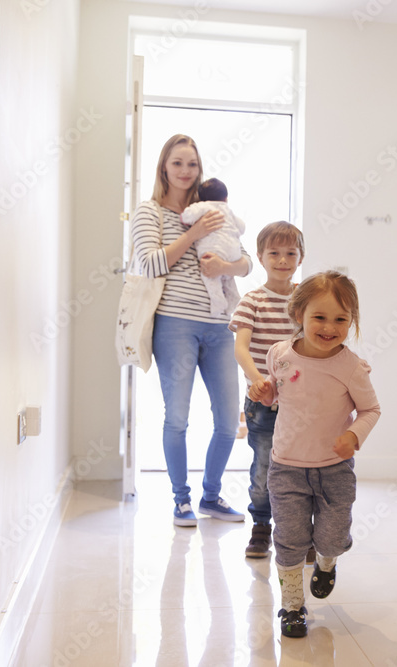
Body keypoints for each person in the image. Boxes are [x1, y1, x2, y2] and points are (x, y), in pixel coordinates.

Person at [248, 271, 381, 638]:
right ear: (298, 314)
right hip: (286, 467)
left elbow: (371, 410)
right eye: (319, 317)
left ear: (352, 321)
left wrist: (353, 435)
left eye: (341, 319)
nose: (329, 327)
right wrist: (265, 392)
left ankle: (326, 562)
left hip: (334, 470)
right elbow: (279, 396)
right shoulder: (280, 354)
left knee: (332, 538)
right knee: (289, 540)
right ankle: (292, 607)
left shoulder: (350, 368)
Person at [130, 134, 253, 527]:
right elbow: (149, 264)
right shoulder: (149, 213)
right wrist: (193, 235)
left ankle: (211, 497)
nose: (185, 171)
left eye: (193, 164)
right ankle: (181, 500)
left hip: (220, 326)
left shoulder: (213, 209)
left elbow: (245, 257)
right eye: (178, 163)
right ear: (164, 166)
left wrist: (225, 267)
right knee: (177, 418)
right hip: (175, 326)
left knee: (228, 420)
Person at [228, 221, 305, 559]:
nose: (282, 260)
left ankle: (302, 532)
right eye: (274, 253)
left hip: (302, 403)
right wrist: (258, 378)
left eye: (290, 253)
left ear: (301, 257)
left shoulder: (306, 300)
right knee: (264, 468)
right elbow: (241, 348)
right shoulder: (253, 301)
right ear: (260, 257)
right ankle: (262, 526)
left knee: (303, 469)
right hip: (263, 404)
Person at [181, 178, 246, 318]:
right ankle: (234, 298)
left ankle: (218, 302)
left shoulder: (204, 206)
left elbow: (188, 216)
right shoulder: (228, 210)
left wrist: (184, 217)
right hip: (233, 251)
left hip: (213, 249)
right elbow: (241, 227)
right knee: (228, 278)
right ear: (226, 198)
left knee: (210, 276)